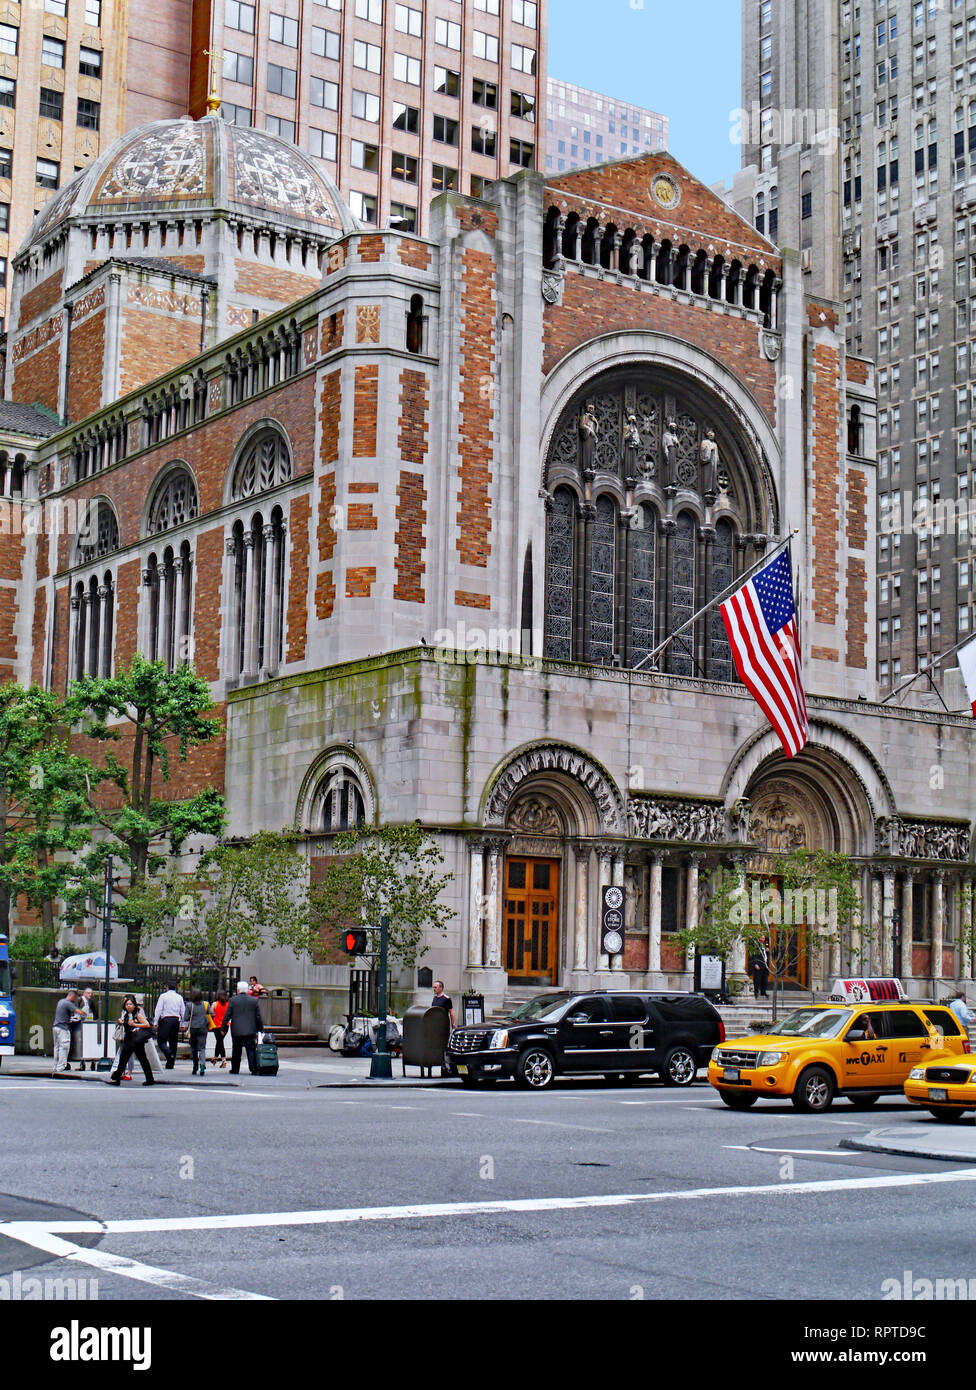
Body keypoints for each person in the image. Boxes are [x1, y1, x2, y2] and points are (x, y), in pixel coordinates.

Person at [109, 995, 155, 1086]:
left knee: (140, 1059)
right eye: (126, 1004)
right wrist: (121, 1021)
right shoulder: (126, 1014)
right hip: (129, 1038)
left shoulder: (137, 1014)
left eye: (130, 1004)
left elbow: (147, 1025)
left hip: (136, 1039)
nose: (128, 1006)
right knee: (124, 1059)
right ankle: (117, 1078)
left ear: (134, 1005)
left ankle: (149, 1079)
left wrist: (134, 1024)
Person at [223, 988, 264, 1075]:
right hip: (250, 1029)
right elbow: (258, 1016)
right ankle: (253, 1068)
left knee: (236, 1050)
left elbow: (227, 1015)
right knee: (250, 1049)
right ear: (247, 990)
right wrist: (260, 1029)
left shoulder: (233, 1000)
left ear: (238, 990)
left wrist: (223, 1027)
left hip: (236, 1030)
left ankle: (235, 1069)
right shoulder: (254, 1000)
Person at [153, 982, 186, 1070]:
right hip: (176, 1020)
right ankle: (171, 1063)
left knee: (161, 1040)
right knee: (173, 1042)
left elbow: (158, 1009)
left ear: (167, 988)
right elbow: (183, 1011)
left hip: (166, 1019)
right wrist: (183, 1023)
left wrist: (155, 1022)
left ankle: (168, 1053)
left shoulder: (163, 996)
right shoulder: (179, 997)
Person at [52, 989, 81, 1074]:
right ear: (72, 996)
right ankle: (61, 1067)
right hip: (63, 1028)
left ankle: (55, 1066)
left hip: (56, 1026)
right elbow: (79, 1012)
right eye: (75, 998)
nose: (75, 1000)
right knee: (64, 1047)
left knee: (56, 1047)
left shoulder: (61, 1001)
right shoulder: (68, 1003)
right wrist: (84, 1013)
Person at [185, 990, 210, 1077]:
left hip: (193, 1028)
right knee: (202, 1048)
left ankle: (195, 1067)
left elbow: (185, 1017)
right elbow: (212, 1013)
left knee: (194, 1048)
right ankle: (202, 1065)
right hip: (203, 1028)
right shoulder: (205, 1004)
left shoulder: (189, 1005)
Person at [210, 990, 229, 1069]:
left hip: (217, 1026)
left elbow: (210, 1014)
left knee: (220, 1042)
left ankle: (223, 1060)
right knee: (219, 1042)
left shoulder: (215, 1004)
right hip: (226, 1026)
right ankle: (215, 1057)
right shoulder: (228, 1004)